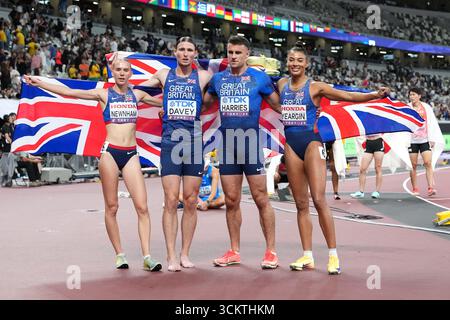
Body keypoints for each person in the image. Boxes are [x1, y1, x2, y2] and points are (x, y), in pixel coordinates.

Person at [24, 58, 163, 272]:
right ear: (112, 72)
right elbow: (69, 92)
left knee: (142, 207)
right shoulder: (104, 94)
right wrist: (39, 83)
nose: (122, 73)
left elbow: (169, 103)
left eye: (126, 70)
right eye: (118, 70)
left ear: (131, 73)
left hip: (131, 154)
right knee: (112, 206)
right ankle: (120, 255)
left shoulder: (138, 95)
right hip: (110, 154)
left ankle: (147, 256)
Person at [278, 42, 390, 275]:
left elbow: (347, 95)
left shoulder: (316, 87)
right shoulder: (281, 85)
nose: (295, 64)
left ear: (307, 63)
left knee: (319, 200)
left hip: (312, 143)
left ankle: (332, 255)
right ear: (286, 62)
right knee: (300, 204)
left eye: (300, 60)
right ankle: (307, 256)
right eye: (291, 60)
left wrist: (372, 95)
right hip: (291, 145)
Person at [203, 35, 281, 269]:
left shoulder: (260, 78)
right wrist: (169, 106)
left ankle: (271, 252)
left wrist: (309, 108)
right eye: (230, 52)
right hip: (226, 146)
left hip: (250, 144)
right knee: (231, 200)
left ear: (247, 54)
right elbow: (204, 104)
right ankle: (234, 250)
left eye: (238, 52)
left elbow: (278, 105)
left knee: (260, 198)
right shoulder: (218, 80)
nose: (234, 56)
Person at [140, 36, 212, 272]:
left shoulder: (203, 77)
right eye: (181, 49)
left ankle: (184, 253)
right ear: (175, 52)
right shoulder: (163, 75)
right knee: (171, 200)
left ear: (195, 53)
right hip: (171, 144)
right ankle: (171, 254)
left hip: (193, 144)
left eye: (189, 50)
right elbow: (138, 88)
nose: (185, 53)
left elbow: (226, 83)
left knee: (190, 201)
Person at [408, 87, 443, 196]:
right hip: (411, 140)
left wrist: (432, 138)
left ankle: (430, 188)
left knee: (428, 163)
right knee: (413, 165)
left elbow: (432, 122)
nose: (411, 96)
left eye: (414, 94)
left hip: (424, 139)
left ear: (419, 96)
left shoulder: (426, 107)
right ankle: (415, 188)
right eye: (410, 95)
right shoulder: (407, 107)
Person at [350, 134, 385, 199]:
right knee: (362, 169)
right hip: (368, 143)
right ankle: (361, 192)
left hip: (378, 142)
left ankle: (377, 192)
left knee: (378, 168)